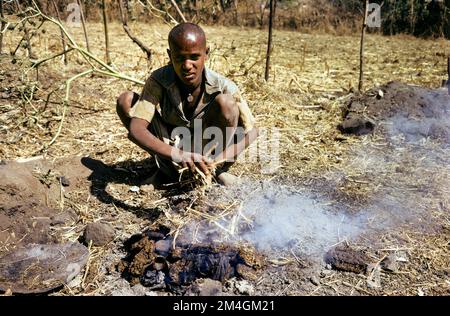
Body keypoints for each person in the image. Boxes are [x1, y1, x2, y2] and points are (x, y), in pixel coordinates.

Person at [116, 22, 258, 186]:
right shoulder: (158, 80)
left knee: (226, 103)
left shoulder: (223, 86)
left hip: (208, 152)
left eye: (194, 57)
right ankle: (166, 170)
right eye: (179, 58)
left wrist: (219, 159)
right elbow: (136, 129)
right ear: (170, 56)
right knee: (126, 101)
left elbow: (252, 132)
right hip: (172, 146)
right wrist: (178, 155)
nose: (187, 66)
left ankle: (213, 173)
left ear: (206, 54)